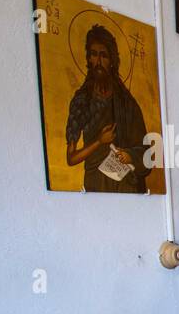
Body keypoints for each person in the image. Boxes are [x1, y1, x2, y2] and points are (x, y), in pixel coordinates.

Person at [65, 24, 154, 193]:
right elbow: (71, 158)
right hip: (97, 183)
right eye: (93, 54)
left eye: (104, 56)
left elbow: (146, 152)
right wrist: (99, 141)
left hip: (125, 183)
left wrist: (130, 155)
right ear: (88, 59)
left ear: (112, 61)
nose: (98, 62)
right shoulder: (82, 100)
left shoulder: (127, 103)